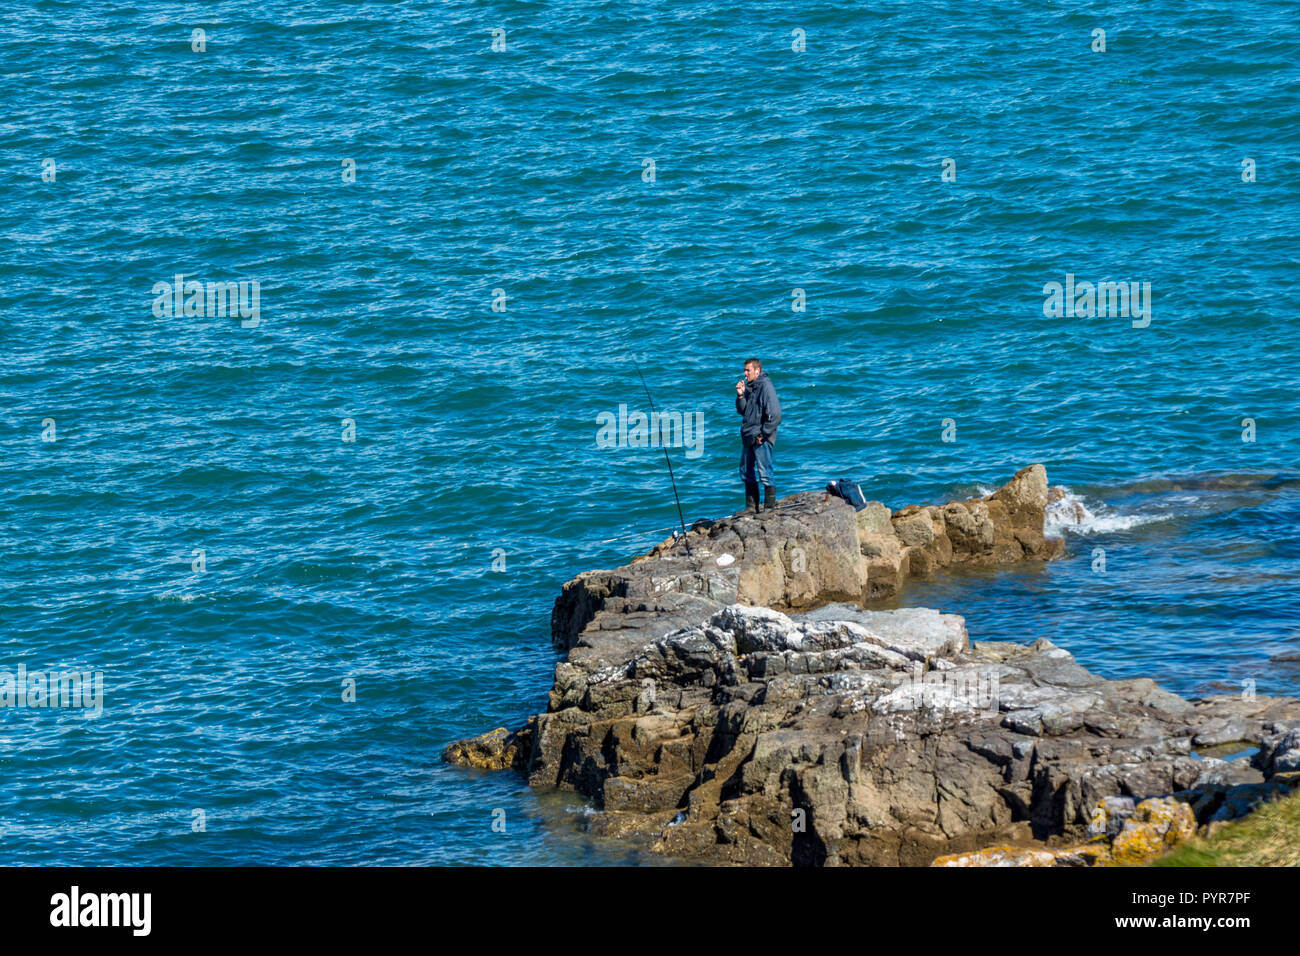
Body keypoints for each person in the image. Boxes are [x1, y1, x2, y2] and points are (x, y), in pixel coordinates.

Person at [734, 357, 782, 513]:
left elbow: (775, 415)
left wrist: (765, 433)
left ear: (757, 370)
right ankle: (751, 507)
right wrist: (740, 396)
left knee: (765, 472)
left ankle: (769, 508)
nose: (745, 373)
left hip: (760, 437)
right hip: (749, 436)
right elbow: (743, 411)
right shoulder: (751, 387)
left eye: (748, 370)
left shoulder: (766, 387)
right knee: (745, 471)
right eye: (745, 370)